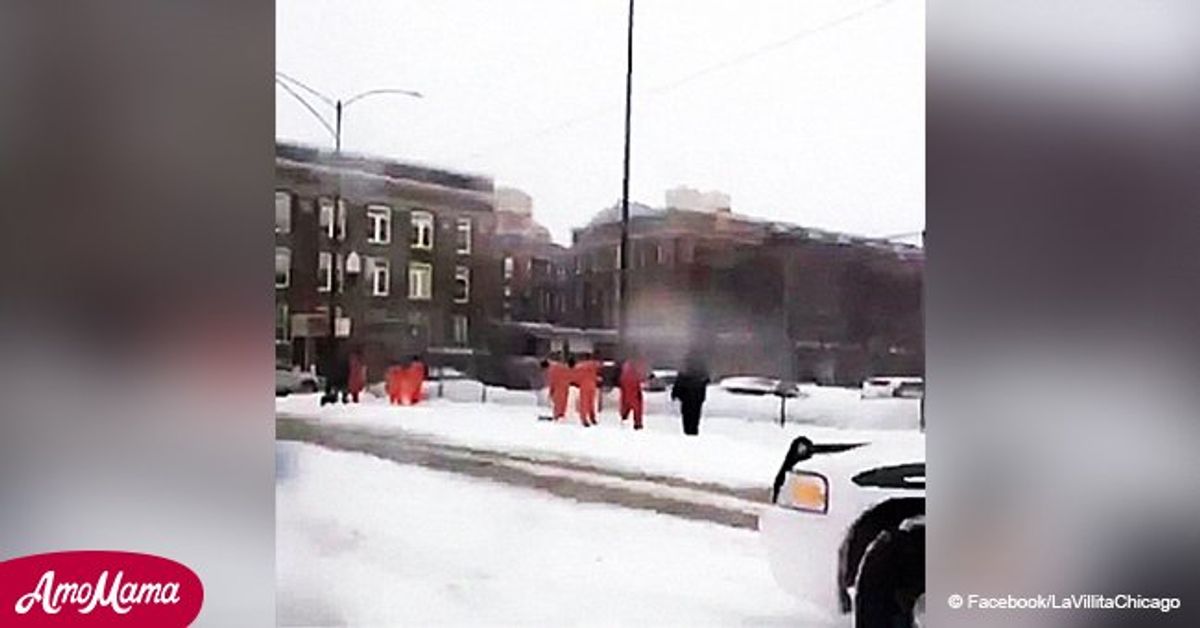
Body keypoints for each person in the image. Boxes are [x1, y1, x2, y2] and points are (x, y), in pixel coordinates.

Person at [671, 357, 709, 436]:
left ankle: (688, 430)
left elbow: (678, 384)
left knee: (687, 416)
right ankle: (693, 430)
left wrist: (675, 394)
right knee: (694, 416)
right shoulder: (700, 373)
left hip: (687, 399)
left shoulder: (684, 373)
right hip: (696, 399)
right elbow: (705, 382)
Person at [619, 356, 647, 430]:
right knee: (637, 409)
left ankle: (624, 418)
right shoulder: (634, 375)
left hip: (627, 395)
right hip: (634, 395)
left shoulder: (623, 376)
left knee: (626, 406)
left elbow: (622, 388)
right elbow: (638, 384)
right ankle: (637, 423)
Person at [574, 354, 600, 427]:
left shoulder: (580, 366)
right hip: (592, 385)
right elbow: (599, 367)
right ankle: (592, 417)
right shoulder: (594, 364)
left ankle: (584, 419)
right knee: (591, 403)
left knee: (584, 403)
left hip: (584, 385)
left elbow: (575, 375)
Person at [546, 353, 571, 421]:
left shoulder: (553, 368)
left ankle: (557, 415)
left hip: (558, 386)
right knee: (563, 401)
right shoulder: (565, 367)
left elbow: (552, 380)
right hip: (564, 386)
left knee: (558, 401)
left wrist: (551, 390)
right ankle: (561, 414)